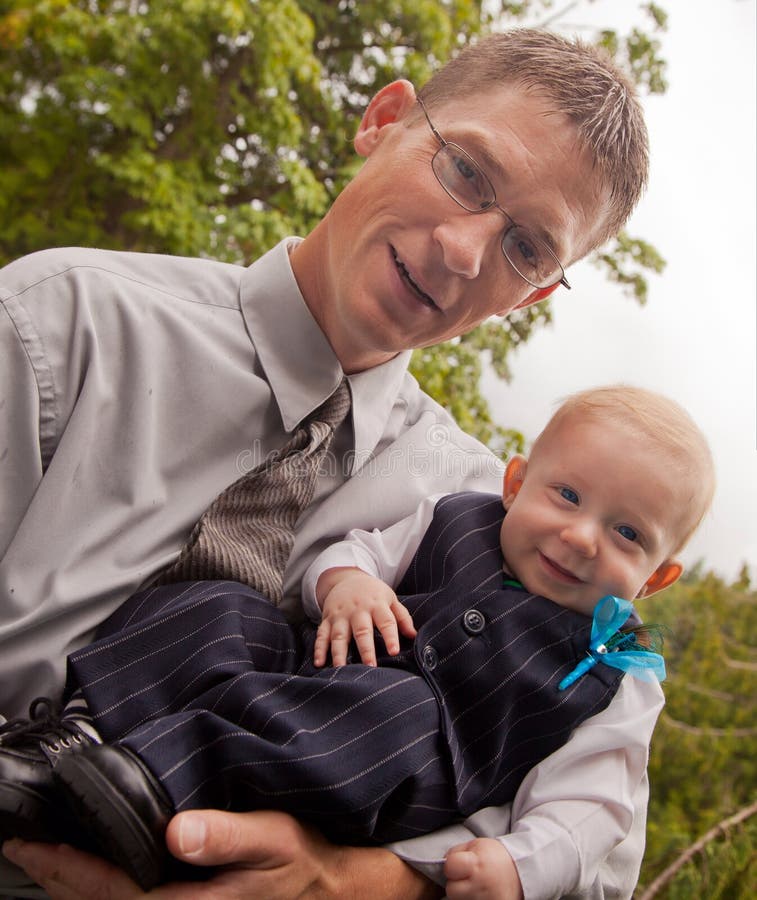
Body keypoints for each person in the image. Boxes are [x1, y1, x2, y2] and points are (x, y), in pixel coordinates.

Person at [0, 27, 652, 900]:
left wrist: (353, 881)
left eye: (526, 247)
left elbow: (598, 858)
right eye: (465, 170)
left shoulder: (492, 515)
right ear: (383, 120)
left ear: (530, 294)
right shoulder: (60, 325)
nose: (464, 252)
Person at [0, 385, 715, 900]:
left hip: (397, 762)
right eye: (567, 496)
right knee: (224, 608)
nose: (581, 537)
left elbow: (592, 806)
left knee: (392, 709)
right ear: (516, 483)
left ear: (656, 577)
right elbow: (362, 550)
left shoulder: (617, 673)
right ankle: (75, 737)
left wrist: (520, 866)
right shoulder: (455, 516)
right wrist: (347, 584)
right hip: (315, 661)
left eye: (627, 534)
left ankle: (153, 790)